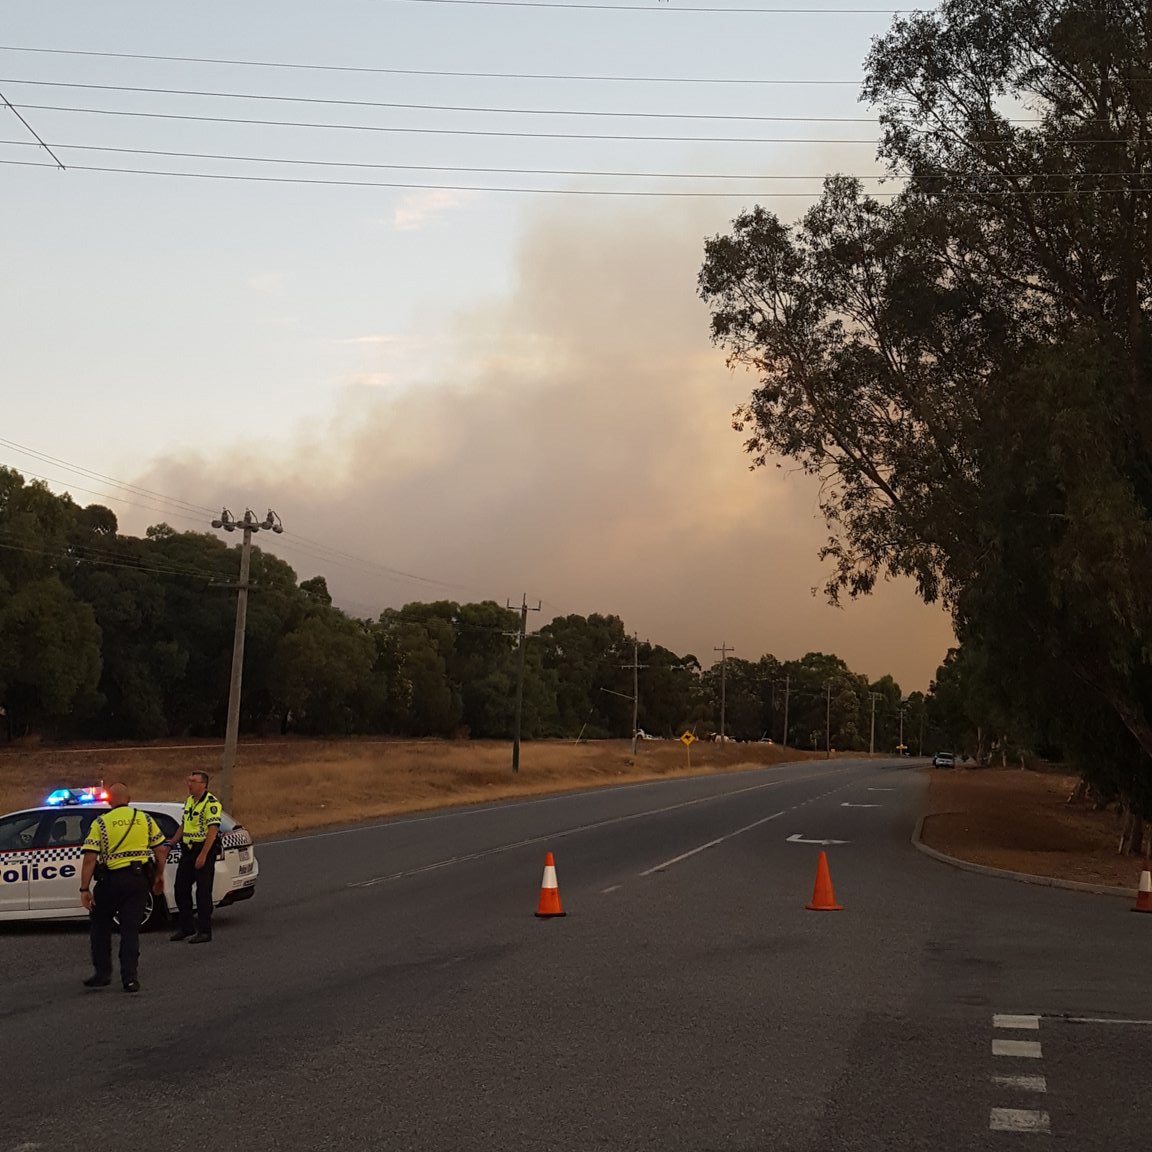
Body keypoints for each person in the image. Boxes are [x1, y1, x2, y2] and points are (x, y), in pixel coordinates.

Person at [79, 783, 167, 993]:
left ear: (109, 800)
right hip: (137, 882)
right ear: (129, 798)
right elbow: (161, 850)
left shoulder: (101, 823)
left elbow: (90, 858)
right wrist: (158, 875)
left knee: (100, 927)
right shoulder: (145, 819)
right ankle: (130, 978)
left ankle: (102, 974)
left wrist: (84, 889)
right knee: (130, 930)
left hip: (110, 882)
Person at [168, 771, 223, 944]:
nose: (189, 784)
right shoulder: (190, 801)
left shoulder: (211, 803)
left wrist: (203, 855)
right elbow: (185, 824)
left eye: (193, 781)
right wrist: (171, 842)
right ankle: (186, 926)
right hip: (188, 850)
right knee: (180, 888)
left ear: (203, 785)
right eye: (189, 780)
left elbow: (212, 831)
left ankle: (205, 931)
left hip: (203, 849)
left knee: (203, 892)